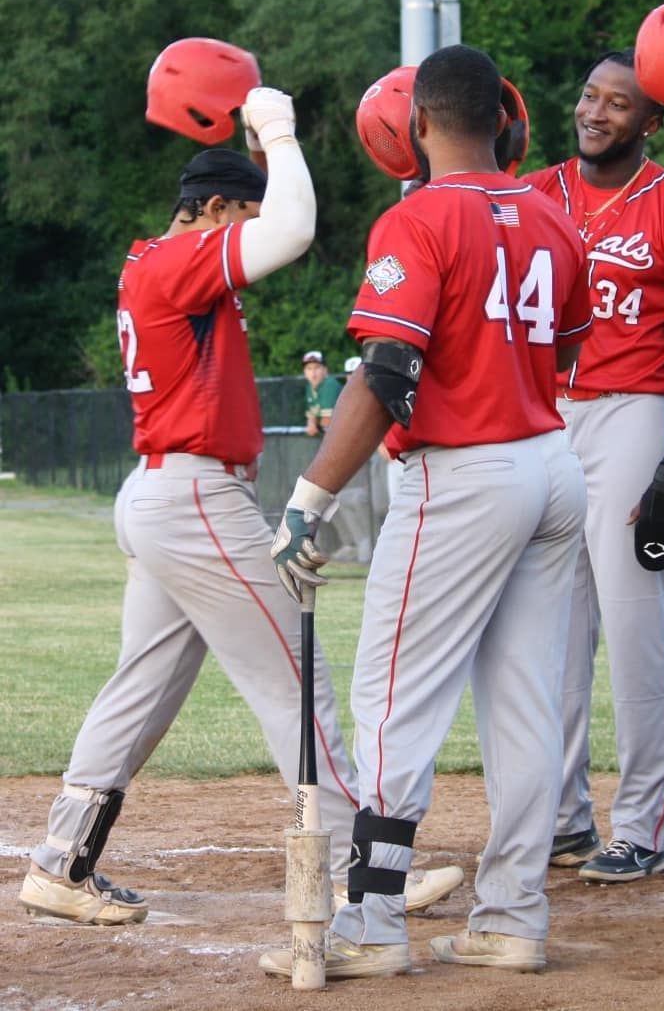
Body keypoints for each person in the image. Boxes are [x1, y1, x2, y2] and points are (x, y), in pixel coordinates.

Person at [17, 93, 461, 929]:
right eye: (238, 218)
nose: (247, 237)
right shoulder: (175, 259)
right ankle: (358, 872)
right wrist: (280, 130)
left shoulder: (156, 262)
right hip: (192, 496)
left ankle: (59, 862)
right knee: (299, 682)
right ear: (214, 208)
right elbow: (292, 228)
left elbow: (276, 231)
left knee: (140, 686)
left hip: (168, 493)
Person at [258, 43, 592, 980]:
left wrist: (310, 496)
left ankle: (370, 922)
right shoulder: (555, 215)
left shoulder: (418, 218)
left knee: (393, 699)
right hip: (552, 465)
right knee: (526, 708)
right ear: (506, 120)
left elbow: (390, 373)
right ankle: (514, 914)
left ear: (417, 127)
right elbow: (564, 349)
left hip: (466, 475)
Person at [522, 49, 664, 882]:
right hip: (545, 416)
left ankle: (641, 821)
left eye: (618, 103)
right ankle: (566, 816)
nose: (595, 111)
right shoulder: (535, 194)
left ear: (652, 123)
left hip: (633, 413)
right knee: (550, 632)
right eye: (588, 93)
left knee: (637, 623)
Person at [303, 349, 341, 436]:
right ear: (304, 372)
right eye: (309, 368)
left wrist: (314, 425)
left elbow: (328, 421)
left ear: (325, 370)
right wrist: (311, 422)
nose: (313, 373)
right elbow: (311, 416)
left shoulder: (329, 384)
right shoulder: (309, 387)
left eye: (317, 367)